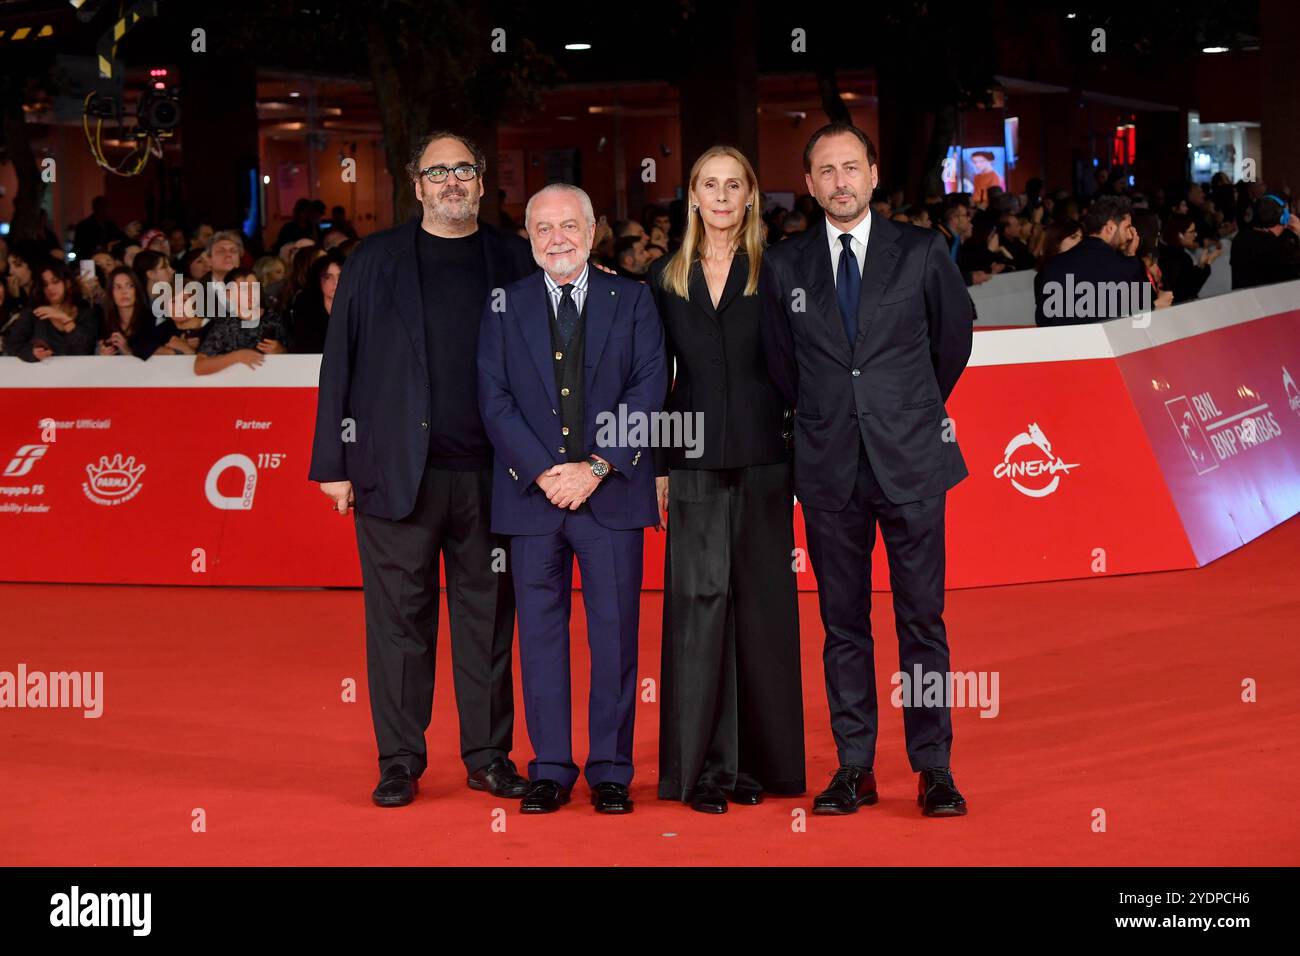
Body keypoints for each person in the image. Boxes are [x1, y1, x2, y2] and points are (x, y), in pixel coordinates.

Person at [309, 131, 536, 809]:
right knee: (398, 624)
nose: (452, 182)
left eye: (463, 169)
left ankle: (488, 755)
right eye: (438, 172)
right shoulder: (373, 261)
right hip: (391, 475)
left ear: (481, 178)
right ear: (416, 185)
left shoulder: (514, 258)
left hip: (494, 478)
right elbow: (338, 363)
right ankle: (400, 759)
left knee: (489, 621)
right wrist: (333, 464)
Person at [761, 123, 974, 818]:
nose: (840, 181)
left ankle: (933, 766)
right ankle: (855, 765)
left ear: (874, 174)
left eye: (851, 167)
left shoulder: (920, 252)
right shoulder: (786, 265)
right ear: (812, 183)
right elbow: (781, 365)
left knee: (923, 621)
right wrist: (834, 416)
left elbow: (952, 342)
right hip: (829, 470)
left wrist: (903, 411)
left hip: (911, 461)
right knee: (842, 624)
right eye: (826, 171)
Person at [477, 182, 667, 815]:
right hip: (533, 500)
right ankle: (550, 767)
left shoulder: (634, 299)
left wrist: (595, 466)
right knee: (539, 635)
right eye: (543, 229)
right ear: (530, 239)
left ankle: (611, 768)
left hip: (610, 495)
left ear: (591, 231)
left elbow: (648, 388)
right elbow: (493, 400)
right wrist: (544, 471)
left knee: (615, 636)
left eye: (568, 226)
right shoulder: (504, 303)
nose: (557, 239)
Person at [647, 145, 804, 814]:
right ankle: (704, 769)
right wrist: (656, 464)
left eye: (732, 184)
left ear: (750, 196)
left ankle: (760, 766)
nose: (719, 196)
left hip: (769, 457)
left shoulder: (778, 270)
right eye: (708, 185)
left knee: (763, 610)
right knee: (698, 611)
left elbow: (802, 369)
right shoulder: (664, 279)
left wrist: (808, 454)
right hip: (691, 464)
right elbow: (655, 381)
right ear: (692, 197)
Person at [1034, 196, 1147, 326]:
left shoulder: (1054, 264)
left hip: (1064, 344)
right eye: (1127, 228)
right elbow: (1143, 315)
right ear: (1110, 227)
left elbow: (1043, 320)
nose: (1129, 235)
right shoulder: (1123, 266)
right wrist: (1131, 256)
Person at [3, 260, 99, 361]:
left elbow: (85, 350)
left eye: (55, 281)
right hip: (39, 374)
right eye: (45, 284)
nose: (50, 288)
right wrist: (32, 353)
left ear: (68, 283)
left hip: (77, 374)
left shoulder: (86, 314)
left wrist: (65, 319)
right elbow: (12, 345)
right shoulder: (34, 313)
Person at [1230, 194, 1300, 290]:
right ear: (1284, 217)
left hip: (1242, 301)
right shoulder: (1275, 248)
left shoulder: (1241, 237)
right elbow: (1295, 283)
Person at [289, 250, 344, 353]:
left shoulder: (358, 307)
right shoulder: (306, 308)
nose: (336, 282)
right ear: (318, 280)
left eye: (340, 276)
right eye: (328, 277)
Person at [95, 267, 154, 357]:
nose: (124, 292)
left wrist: (128, 351)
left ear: (137, 291)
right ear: (111, 293)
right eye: (118, 287)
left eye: (129, 286)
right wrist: (102, 356)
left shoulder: (152, 320)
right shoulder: (103, 321)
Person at [72, 196, 124, 260]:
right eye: (102, 207)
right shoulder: (84, 226)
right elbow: (79, 247)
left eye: (106, 207)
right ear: (96, 208)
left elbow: (117, 241)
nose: (105, 209)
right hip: (90, 260)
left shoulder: (111, 225)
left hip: (109, 258)